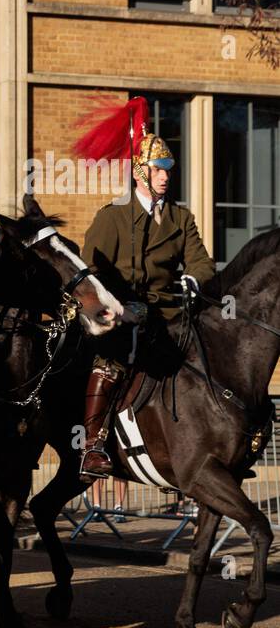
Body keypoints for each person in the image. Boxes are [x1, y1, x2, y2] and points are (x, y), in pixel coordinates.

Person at [73, 95, 216, 481]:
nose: (166, 177)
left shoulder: (181, 218)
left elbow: (202, 261)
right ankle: (94, 445)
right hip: (124, 317)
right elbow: (92, 272)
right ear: (140, 173)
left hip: (170, 313)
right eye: (158, 170)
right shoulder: (113, 217)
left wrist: (192, 279)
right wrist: (120, 307)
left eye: (169, 169)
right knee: (111, 359)